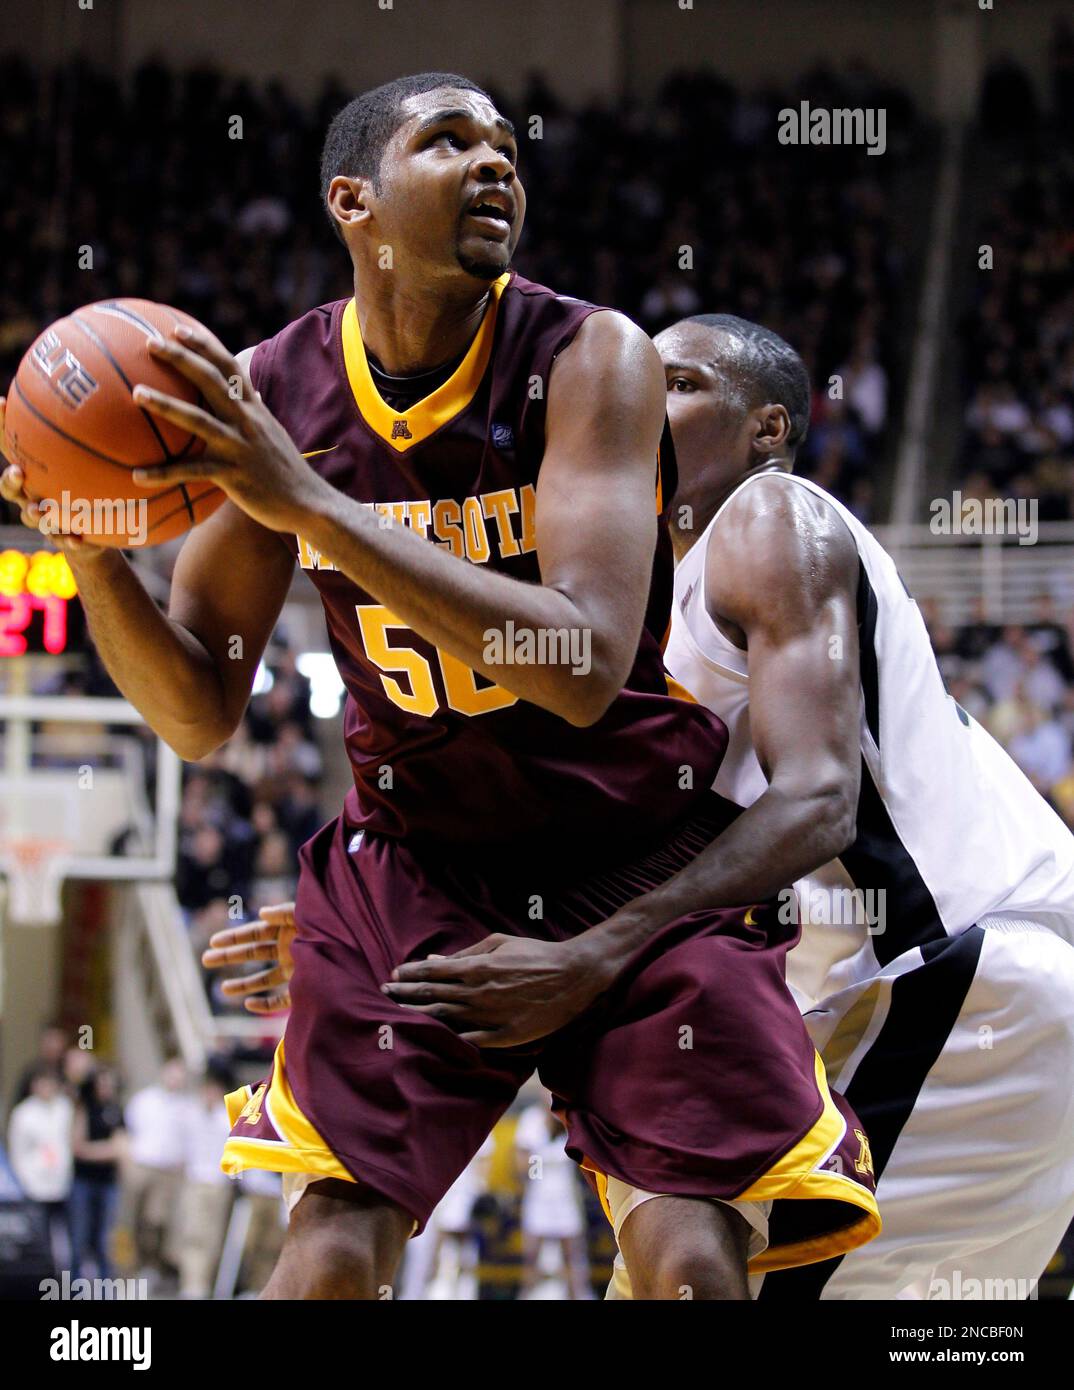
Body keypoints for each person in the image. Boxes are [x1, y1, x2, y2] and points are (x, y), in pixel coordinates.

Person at [2, 73, 879, 1300]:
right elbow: (198, 709)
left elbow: (576, 665)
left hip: (633, 854)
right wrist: (93, 550)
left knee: (687, 1261)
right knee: (325, 1259)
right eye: (449, 141)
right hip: (416, 866)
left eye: (508, 145)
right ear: (351, 200)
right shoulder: (277, 390)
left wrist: (310, 503)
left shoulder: (592, 358)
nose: (495, 164)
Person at [307, 311, 1074, 1301]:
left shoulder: (770, 519)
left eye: (678, 385)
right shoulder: (639, 617)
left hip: (954, 976)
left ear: (767, 429)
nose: (639, 403)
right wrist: (345, 913)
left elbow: (820, 799)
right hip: (974, 999)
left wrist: (594, 955)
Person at [122, 1058, 192, 1282]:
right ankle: (128, 1269)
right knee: (132, 1217)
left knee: (156, 1220)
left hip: (167, 1171)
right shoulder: (144, 1100)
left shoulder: (185, 1106)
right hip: (142, 1165)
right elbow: (130, 1130)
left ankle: (151, 1265)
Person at [7, 1066, 73, 1263]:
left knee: (67, 1239)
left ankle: (66, 1281)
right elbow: (17, 1152)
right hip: (35, 1186)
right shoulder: (23, 1113)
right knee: (39, 1240)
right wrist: (25, 1181)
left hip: (63, 1183)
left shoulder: (64, 1108)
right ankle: (43, 1281)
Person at [69, 1065, 125, 1280]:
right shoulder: (84, 1109)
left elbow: (119, 1148)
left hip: (107, 1182)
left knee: (104, 1240)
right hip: (83, 1182)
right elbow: (78, 1147)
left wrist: (94, 1150)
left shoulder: (116, 1110)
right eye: (101, 1083)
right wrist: (106, 1149)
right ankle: (73, 1288)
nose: (106, 1088)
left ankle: (104, 1289)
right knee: (79, 1238)